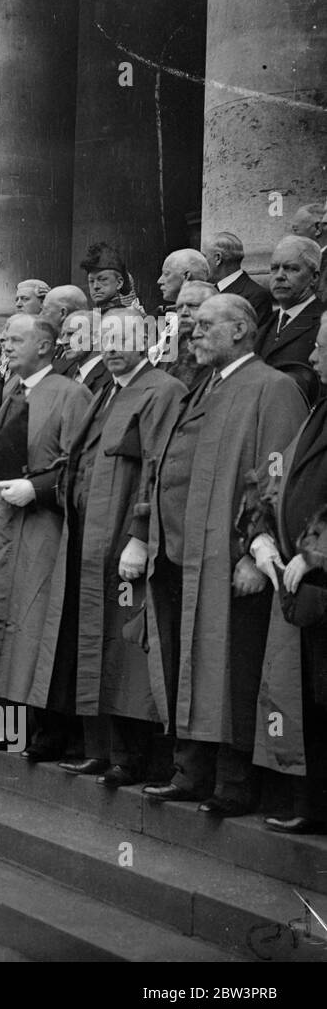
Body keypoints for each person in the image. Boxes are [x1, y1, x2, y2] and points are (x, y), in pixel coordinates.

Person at [140, 294, 306, 815]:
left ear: (241, 331)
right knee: (188, 662)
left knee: (231, 667)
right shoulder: (201, 386)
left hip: (230, 558)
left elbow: (275, 477)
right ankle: (189, 773)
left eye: (207, 325)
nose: (194, 333)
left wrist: (255, 553)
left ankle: (232, 787)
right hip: (178, 555)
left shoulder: (272, 388)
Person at [49, 311, 187, 785]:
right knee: (95, 641)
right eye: (104, 338)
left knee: (126, 650)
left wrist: (139, 535)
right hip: (90, 538)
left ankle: (132, 758)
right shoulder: (107, 390)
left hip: (124, 541)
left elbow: (159, 469)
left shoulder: (162, 391)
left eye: (124, 337)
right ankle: (100, 748)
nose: (111, 347)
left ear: (147, 340)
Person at [0, 314, 92, 757]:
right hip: (4, 526)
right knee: (4, 622)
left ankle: (48, 731)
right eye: (4, 339)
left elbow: (78, 463)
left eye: (16, 339)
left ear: (45, 347)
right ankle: (7, 723)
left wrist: (38, 489)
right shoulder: (11, 394)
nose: (6, 345)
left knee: (38, 625)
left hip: (45, 525)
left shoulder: (70, 393)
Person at [248, 312, 327, 833]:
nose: (314, 357)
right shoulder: (318, 408)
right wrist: (258, 534)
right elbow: (279, 476)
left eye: (322, 348)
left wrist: (316, 553)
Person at [258, 235, 324, 405]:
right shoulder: (265, 323)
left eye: (291, 269)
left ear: (314, 277)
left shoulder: (323, 323)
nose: (279, 276)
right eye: (274, 268)